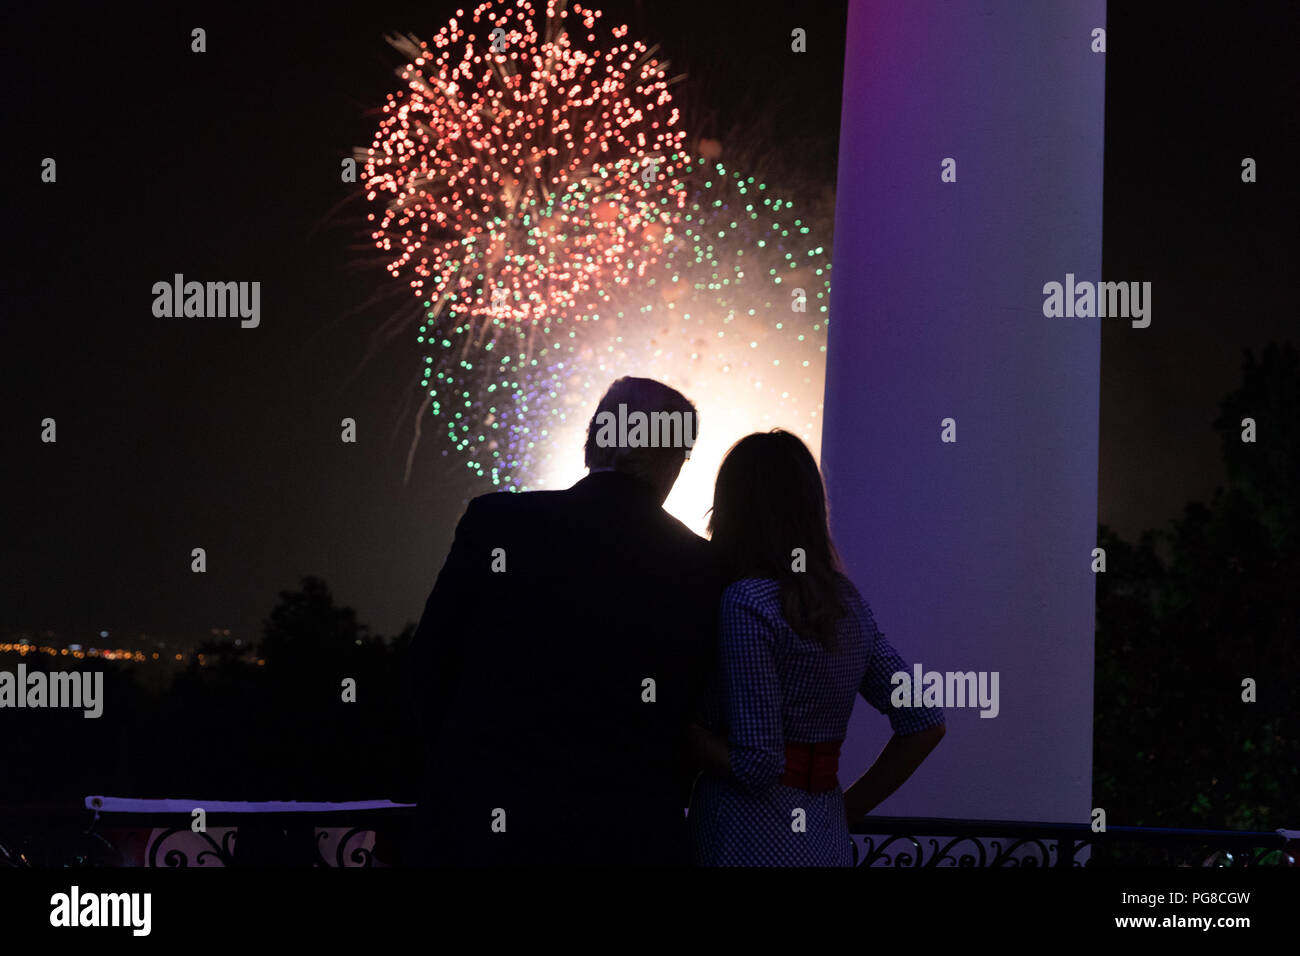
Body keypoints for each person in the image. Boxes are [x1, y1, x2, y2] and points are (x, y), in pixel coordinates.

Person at [411, 377, 722, 865]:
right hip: (628, 838)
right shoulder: (703, 567)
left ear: (594, 440)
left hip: (482, 832)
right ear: (672, 459)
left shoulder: (497, 521)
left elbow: (429, 668)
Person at [688, 430, 945, 866]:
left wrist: (679, 727)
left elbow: (758, 765)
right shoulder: (847, 605)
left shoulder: (746, 602)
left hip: (744, 838)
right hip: (823, 840)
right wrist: (846, 811)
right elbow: (925, 721)